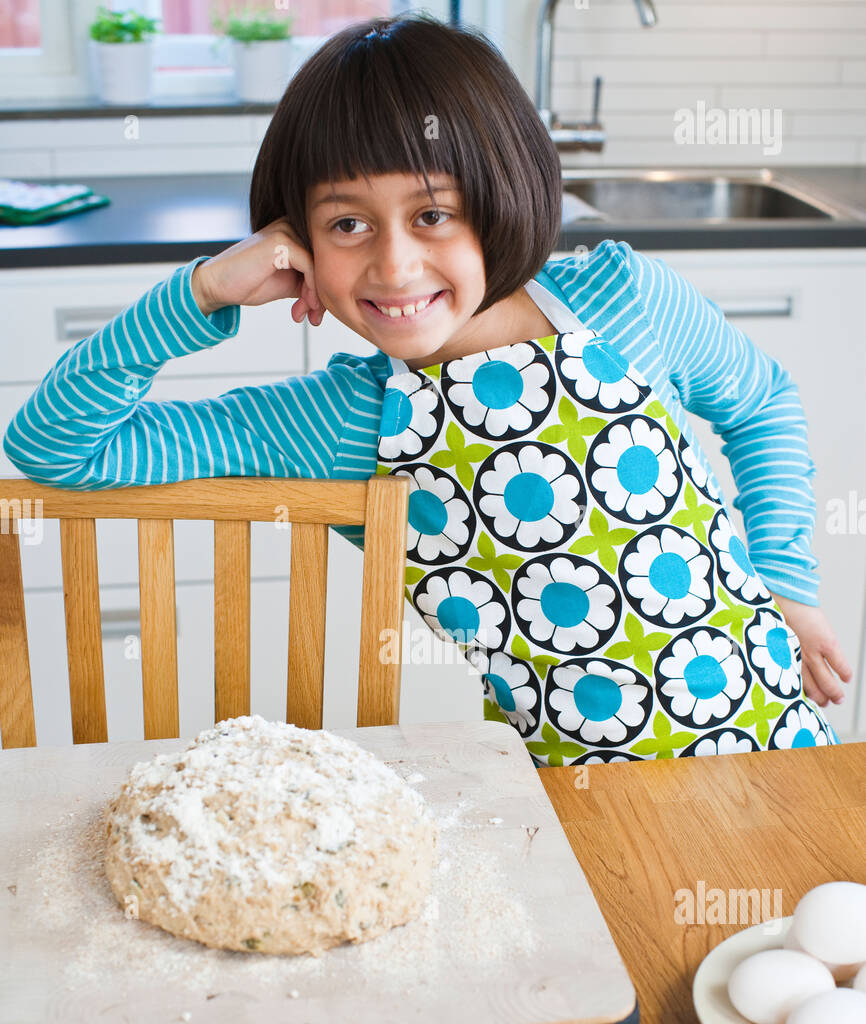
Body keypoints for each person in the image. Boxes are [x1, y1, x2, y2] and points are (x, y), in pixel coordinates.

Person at [3, 16, 851, 765]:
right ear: (294, 242)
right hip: (571, 810)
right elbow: (55, 447)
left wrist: (789, 579)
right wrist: (200, 295)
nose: (394, 265)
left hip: (782, 748)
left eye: (432, 214)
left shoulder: (622, 301)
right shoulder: (334, 422)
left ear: (501, 195)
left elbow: (763, 401)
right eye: (346, 224)